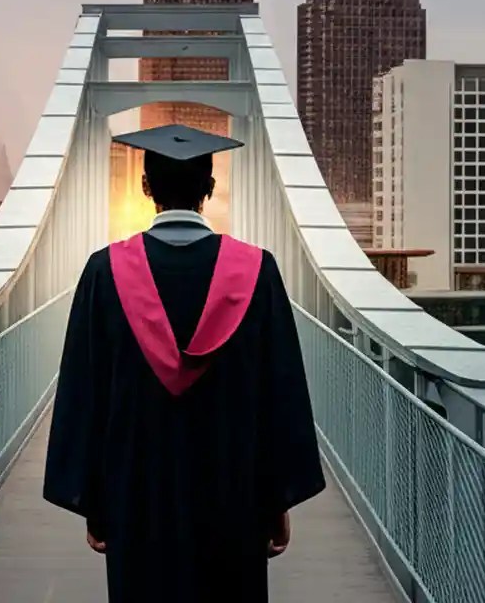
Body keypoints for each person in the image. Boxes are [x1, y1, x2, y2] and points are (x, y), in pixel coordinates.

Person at [43, 124, 326, 602]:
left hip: (136, 495)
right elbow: (282, 394)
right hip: (235, 494)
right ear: (209, 190)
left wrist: (92, 499)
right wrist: (277, 499)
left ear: (146, 187)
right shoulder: (257, 270)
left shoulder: (104, 271)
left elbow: (81, 392)